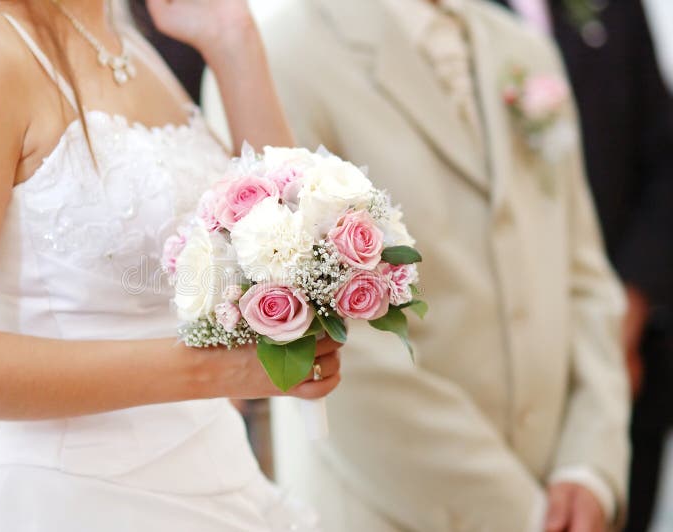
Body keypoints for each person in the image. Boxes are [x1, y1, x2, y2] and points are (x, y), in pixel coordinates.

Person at [0, 0, 342, 530]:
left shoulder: (132, 42)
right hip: (74, 499)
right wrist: (213, 369)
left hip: (224, 485)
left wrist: (235, 43)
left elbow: (294, 256)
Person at [206, 0, 630, 530]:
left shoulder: (522, 46)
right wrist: (520, 513)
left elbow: (585, 277)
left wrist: (588, 466)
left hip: (558, 484)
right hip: (385, 504)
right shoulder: (277, 56)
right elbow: (324, 338)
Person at [491, 2, 673, 530]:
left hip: (631, 338)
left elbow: (664, 156)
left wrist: (626, 314)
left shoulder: (615, 7)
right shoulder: (450, 20)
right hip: (507, 356)